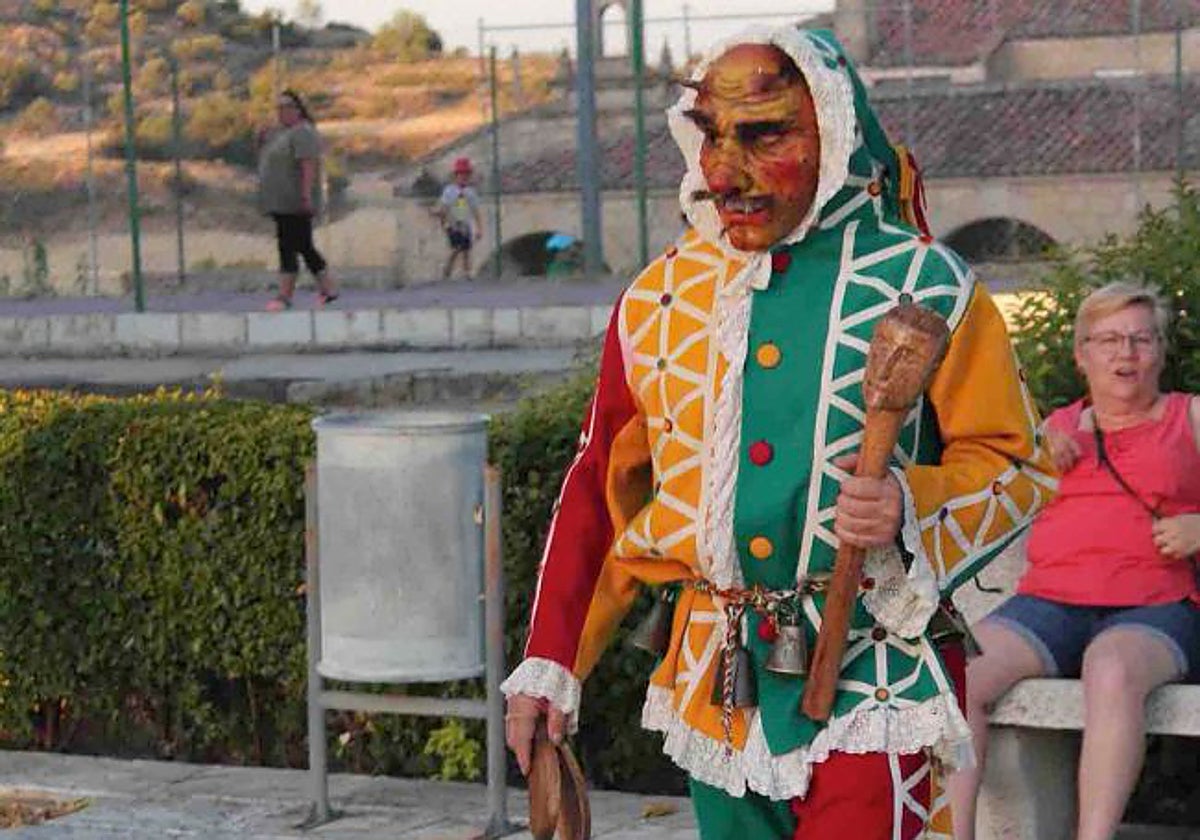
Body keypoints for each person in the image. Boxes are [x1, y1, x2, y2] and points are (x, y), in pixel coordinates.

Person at [501, 25, 1055, 839]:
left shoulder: (925, 282)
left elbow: (1016, 463)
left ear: (831, 133)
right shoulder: (659, 300)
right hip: (713, 687)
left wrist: (908, 502)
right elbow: (604, 488)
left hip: (878, 674)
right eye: (711, 135)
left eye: (766, 135)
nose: (725, 170)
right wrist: (552, 663)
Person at [947, 282, 1199, 840]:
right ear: (1081, 355)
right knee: (957, 672)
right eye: (1108, 339)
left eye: (1140, 338)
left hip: (1154, 608)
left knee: (1110, 671)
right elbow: (975, 487)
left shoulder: (1190, 418)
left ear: (1160, 351)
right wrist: (1031, 454)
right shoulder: (1050, 430)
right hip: (1047, 605)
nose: (1125, 353)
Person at [257, 89, 338, 311]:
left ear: (297, 109)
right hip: (281, 200)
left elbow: (307, 164)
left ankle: (285, 295)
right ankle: (327, 288)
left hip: (294, 200)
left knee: (290, 246)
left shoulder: (303, 133)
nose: (281, 112)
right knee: (302, 245)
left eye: (286, 107)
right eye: (278, 108)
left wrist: (305, 195)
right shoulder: (281, 134)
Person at [435, 157, 483, 281]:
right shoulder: (449, 191)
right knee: (456, 247)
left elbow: (475, 210)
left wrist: (479, 228)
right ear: (456, 175)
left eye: (467, 174)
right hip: (453, 223)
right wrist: (442, 219)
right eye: (462, 174)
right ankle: (447, 271)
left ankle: (467, 273)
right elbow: (444, 207)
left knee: (467, 248)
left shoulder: (470, 192)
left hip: (465, 224)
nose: (464, 177)